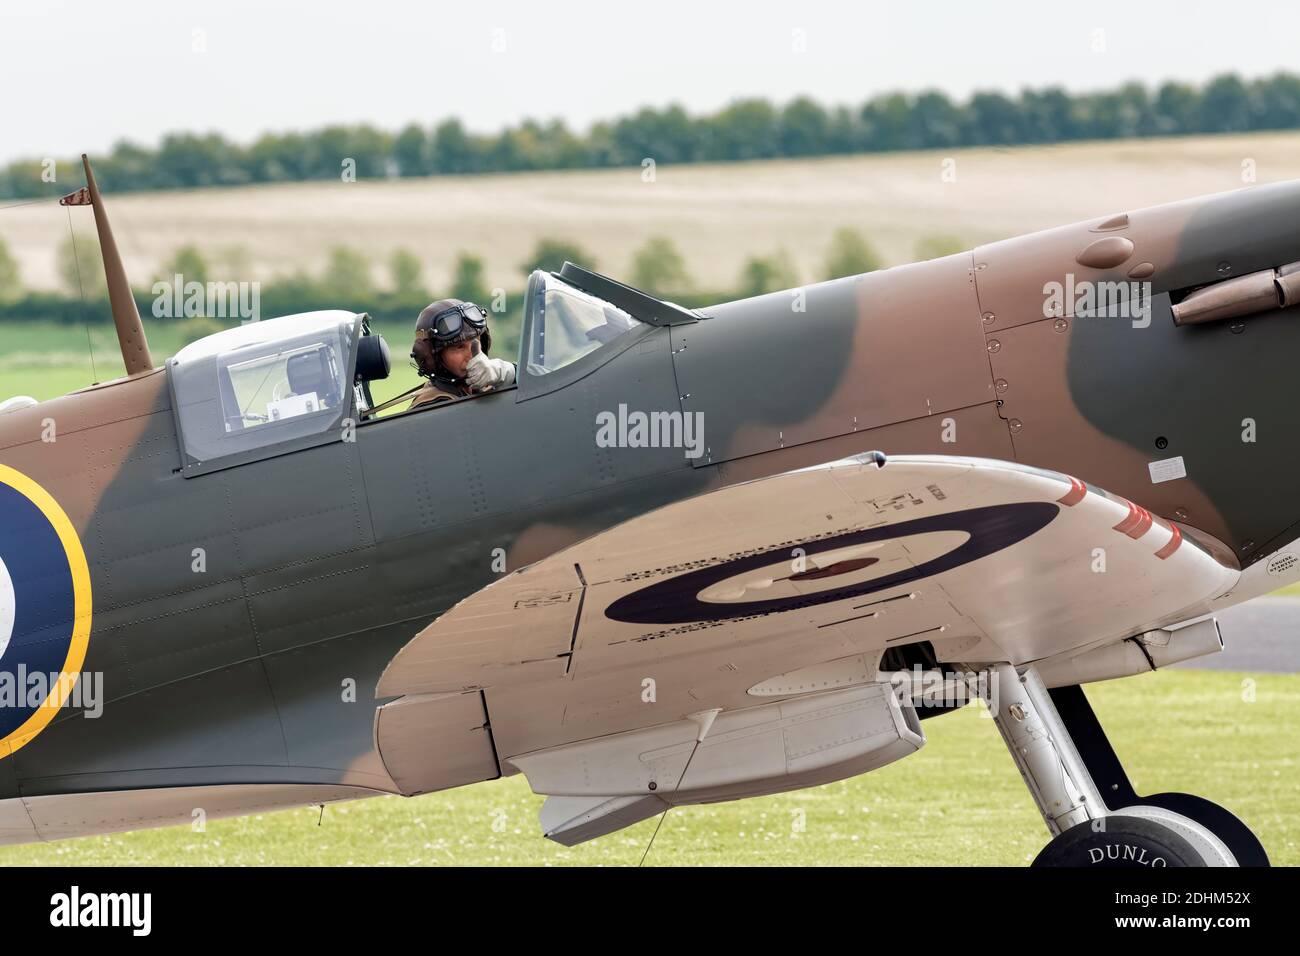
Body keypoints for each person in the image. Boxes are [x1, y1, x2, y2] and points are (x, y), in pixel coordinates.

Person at [408, 298, 516, 410]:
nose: (472, 356)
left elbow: (533, 382)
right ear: (434, 358)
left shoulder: (483, 386)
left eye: (476, 342)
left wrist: (503, 372)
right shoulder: (433, 407)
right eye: (459, 347)